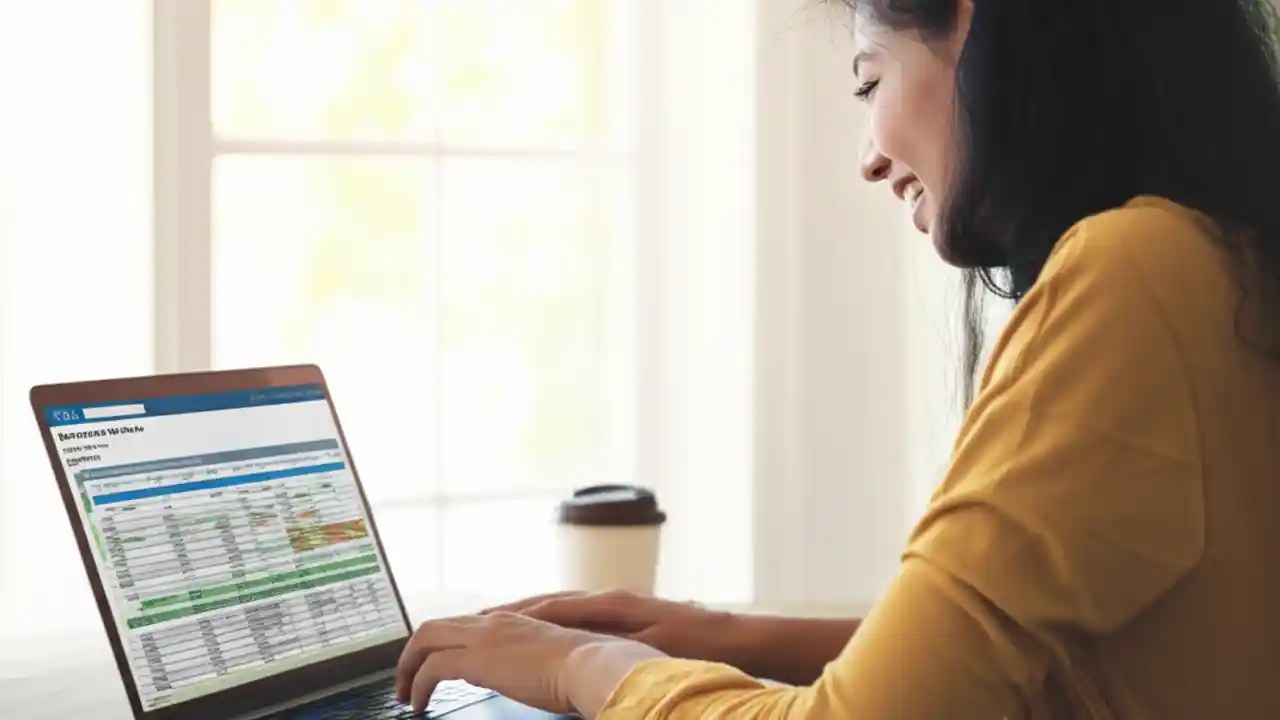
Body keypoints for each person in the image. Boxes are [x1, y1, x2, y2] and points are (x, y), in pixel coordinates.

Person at [395, 0, 1280, 717]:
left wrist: (582, 668)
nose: (868, 158)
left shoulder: (1135, 271)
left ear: (972, 27)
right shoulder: (1222, 268)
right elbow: (1014, 664)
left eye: (870, 83)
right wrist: (718, 636)